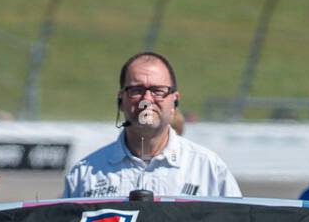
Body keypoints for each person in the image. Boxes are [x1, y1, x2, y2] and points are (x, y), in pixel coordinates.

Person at [62, 51, 241, 198]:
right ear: (120, 99)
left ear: (174, 101)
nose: (146, 100)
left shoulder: (208, 169)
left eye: (157, 91)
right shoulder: (84, 174)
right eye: (136, 90)